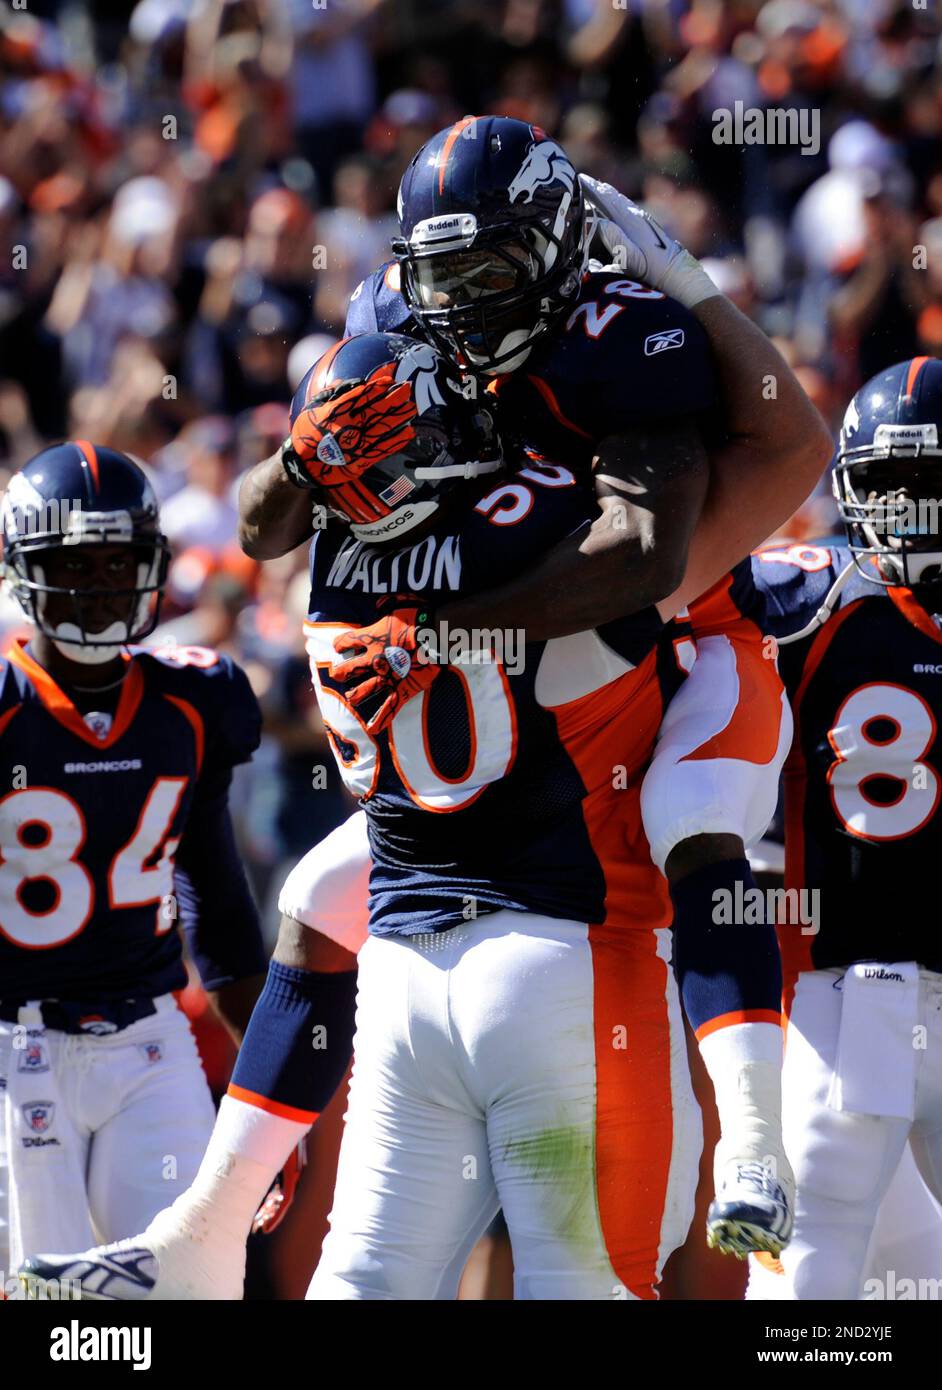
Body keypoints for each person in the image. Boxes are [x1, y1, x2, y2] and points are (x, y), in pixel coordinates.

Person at [241, 118, 834, 1251]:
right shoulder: (391, 327)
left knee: (691, 819)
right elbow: (267, 523)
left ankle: (752, 1136)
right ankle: (209, 1223)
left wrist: (686, 278)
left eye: (492, 271)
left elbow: (686, 528)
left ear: (558, 250)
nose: (463, 305)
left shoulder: (629, 332)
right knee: (317, 898)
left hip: (686, 632)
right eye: (442, 275)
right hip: (530, 695)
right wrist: (304, 457)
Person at [0, 442, 266, 1296]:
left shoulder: (194, 702)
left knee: (193, 1286)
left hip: (150, 1037)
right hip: (13, 1043)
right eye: (75, 565)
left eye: (120, 562)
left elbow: (217, 904)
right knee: (48, 1304)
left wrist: (269, 1101)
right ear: (24, 570)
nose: (100, 584)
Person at [744, 356, 942, 1299]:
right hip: (853, 994)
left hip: (849, 1006)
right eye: (893, 485)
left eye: (927, 484)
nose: (910, 507)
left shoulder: (807, 595)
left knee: (814, 1288)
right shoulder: (816, 601)